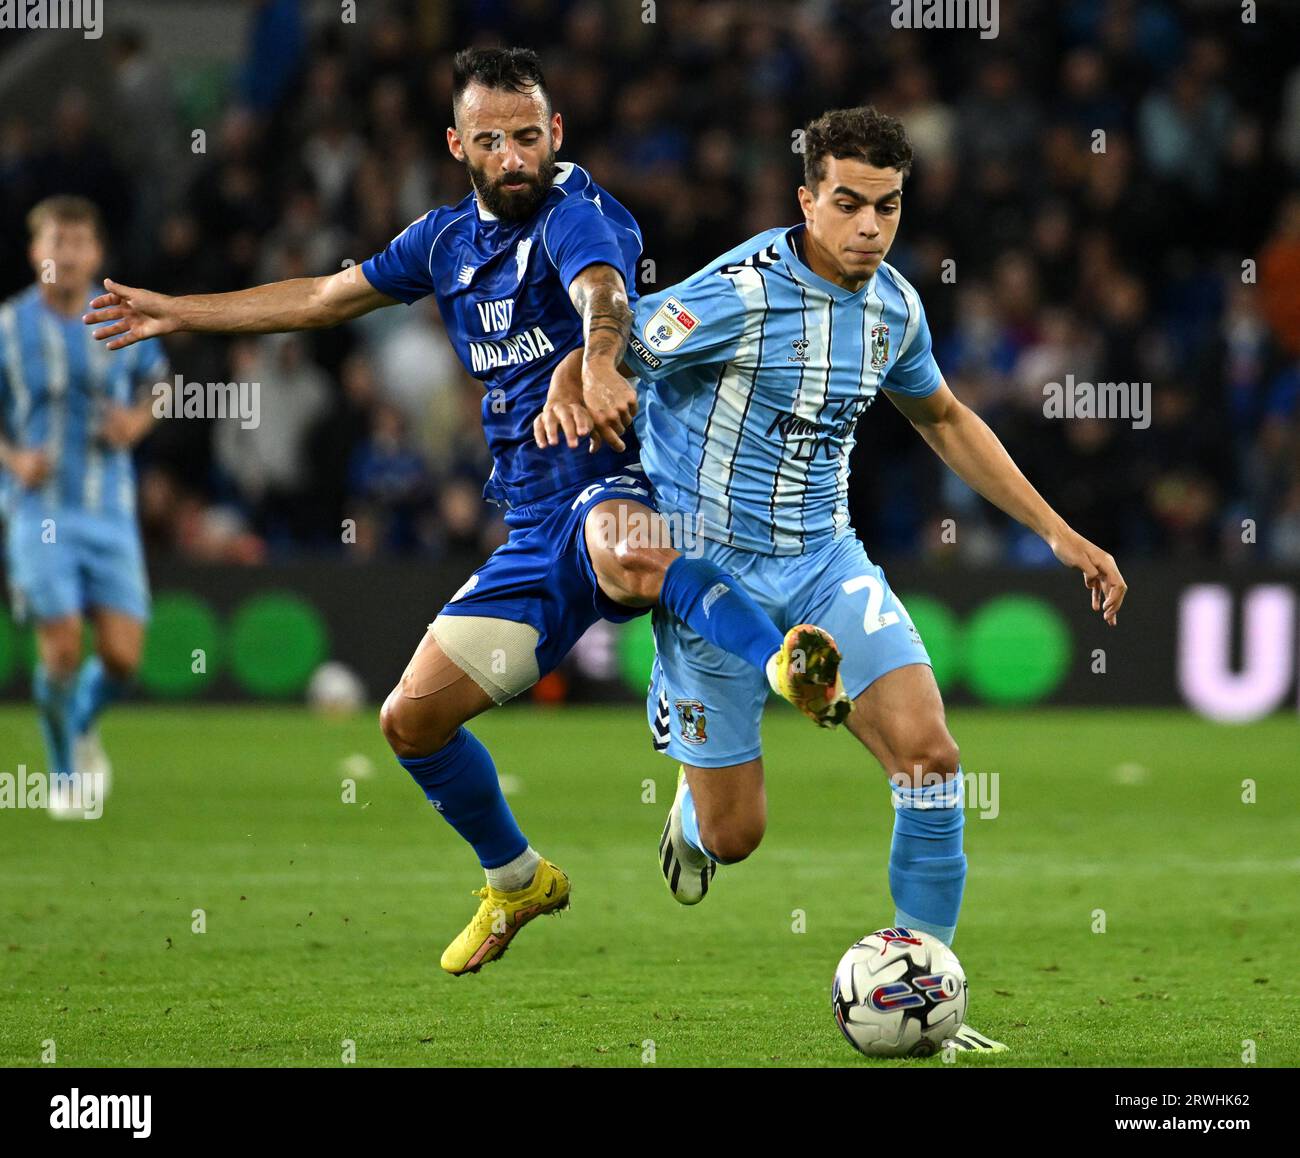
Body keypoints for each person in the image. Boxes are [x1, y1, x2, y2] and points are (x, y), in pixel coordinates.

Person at [83, 48, 850, 974]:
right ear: (459, 145)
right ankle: (516, 877)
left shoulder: (583, 215)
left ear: (555, 133)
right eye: (492, 141)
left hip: (625, 479)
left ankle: (781, 658)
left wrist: (600, 359)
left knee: (622, 540)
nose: (514, 157)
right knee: (409, 721)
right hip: (534, 528)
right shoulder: (443, 243)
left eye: (529, 136)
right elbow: (328, 297)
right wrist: (182, 312)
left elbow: (601, 291)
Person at [547, 107, 1129, 1051]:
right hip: (708, 574)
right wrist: (581, 376)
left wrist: (1059, 533)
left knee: (932, 759)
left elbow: (942, 419)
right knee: (737, 837)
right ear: (806, 199)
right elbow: (609, 340)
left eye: (887, 207)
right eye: (848, 203)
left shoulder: (896, 306)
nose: (868, 226)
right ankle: (691, 812)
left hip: (826, 564)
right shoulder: (736, 295)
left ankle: (925, 990)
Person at [0, 195, 164, 817]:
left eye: (77, 242)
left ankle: (81, 723)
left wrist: (135, 423)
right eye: (53, 241)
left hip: (110, 509)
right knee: (63, 647)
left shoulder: (119, 318)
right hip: (36, 509)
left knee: (122, 657)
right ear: (33, 252)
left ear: (96, 253)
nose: (64, 254)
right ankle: (64, 774)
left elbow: (161, 382)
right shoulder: (9, 327)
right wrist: (13, 459)